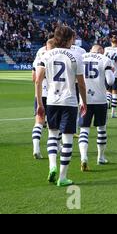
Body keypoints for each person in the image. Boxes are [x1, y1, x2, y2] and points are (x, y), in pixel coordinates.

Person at [35, 26, 87, 187]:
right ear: (68, 39)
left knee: (52, 135)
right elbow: (81, 84)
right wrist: (84, 102)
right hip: (69, 101)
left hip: (51, 100)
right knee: (67, 139)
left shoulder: (46, 54)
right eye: (72, 38)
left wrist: (40, 103)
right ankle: (62, 177)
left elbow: (38, 80)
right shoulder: (75, 56)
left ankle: (52, 166)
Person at [78, 45, 115, 172]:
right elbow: (110, 81)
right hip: (100, 99)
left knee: (84, 130)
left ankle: (83, 157)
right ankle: (100, 157)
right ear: (101, 51)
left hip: (84, 99)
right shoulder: (104, 59)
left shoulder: (81, 57)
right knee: (101, 129)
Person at [31, 37, 55, 159]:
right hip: (53, 94)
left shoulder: (40, 54)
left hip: (40, 93)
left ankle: (36, 148)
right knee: (54, 124)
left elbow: (33, 77)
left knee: (39, 122)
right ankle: (58, 146)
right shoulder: (56, 55)